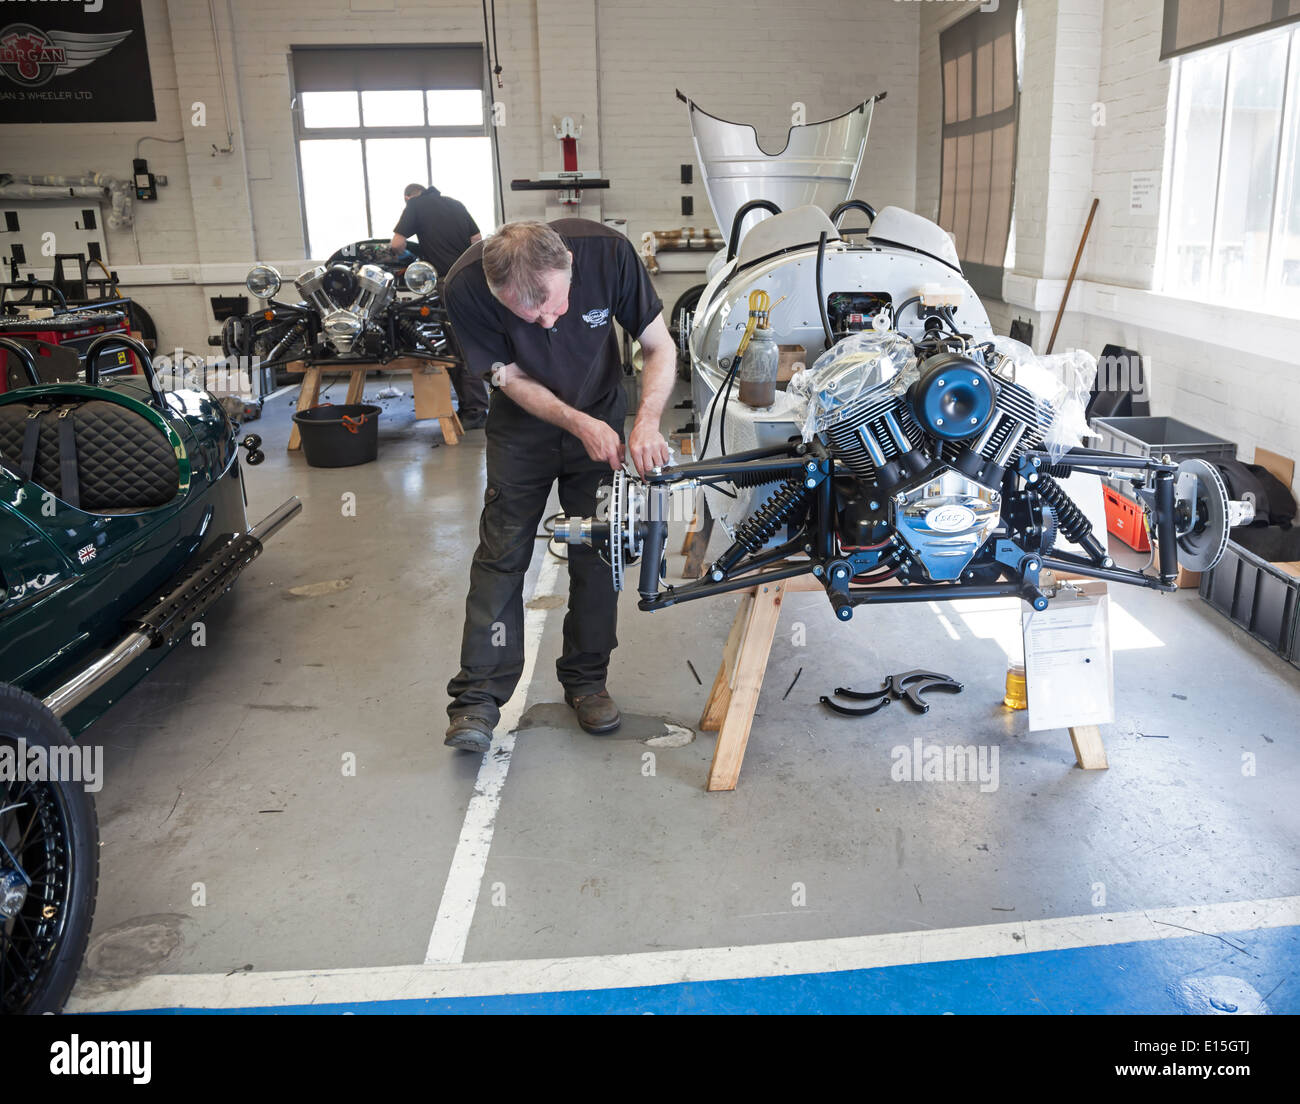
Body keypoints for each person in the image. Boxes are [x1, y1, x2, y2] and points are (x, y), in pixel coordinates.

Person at [441, 219, 676, 753]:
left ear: (569, 262)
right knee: (502, 553)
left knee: (600, 549)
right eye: (529, 317)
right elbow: (512, 377)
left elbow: (659, 347)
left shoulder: (610, 253)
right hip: (522, 427)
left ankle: (587, 680)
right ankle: (477, 698)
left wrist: (646, 421)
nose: (548, 323)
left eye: (556, 306)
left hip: (602, 415)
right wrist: (573, 422)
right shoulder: (464, 285)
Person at [390, 183, 488, 428]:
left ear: (408, 196)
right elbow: (478, 241)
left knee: (457, 345)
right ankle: (476, 405)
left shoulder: (415, 205)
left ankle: (475, 411)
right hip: (471, 280)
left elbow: (396, 244)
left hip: (446, 283)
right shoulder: (455, 203)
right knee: (468, 340)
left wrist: (400, 258)